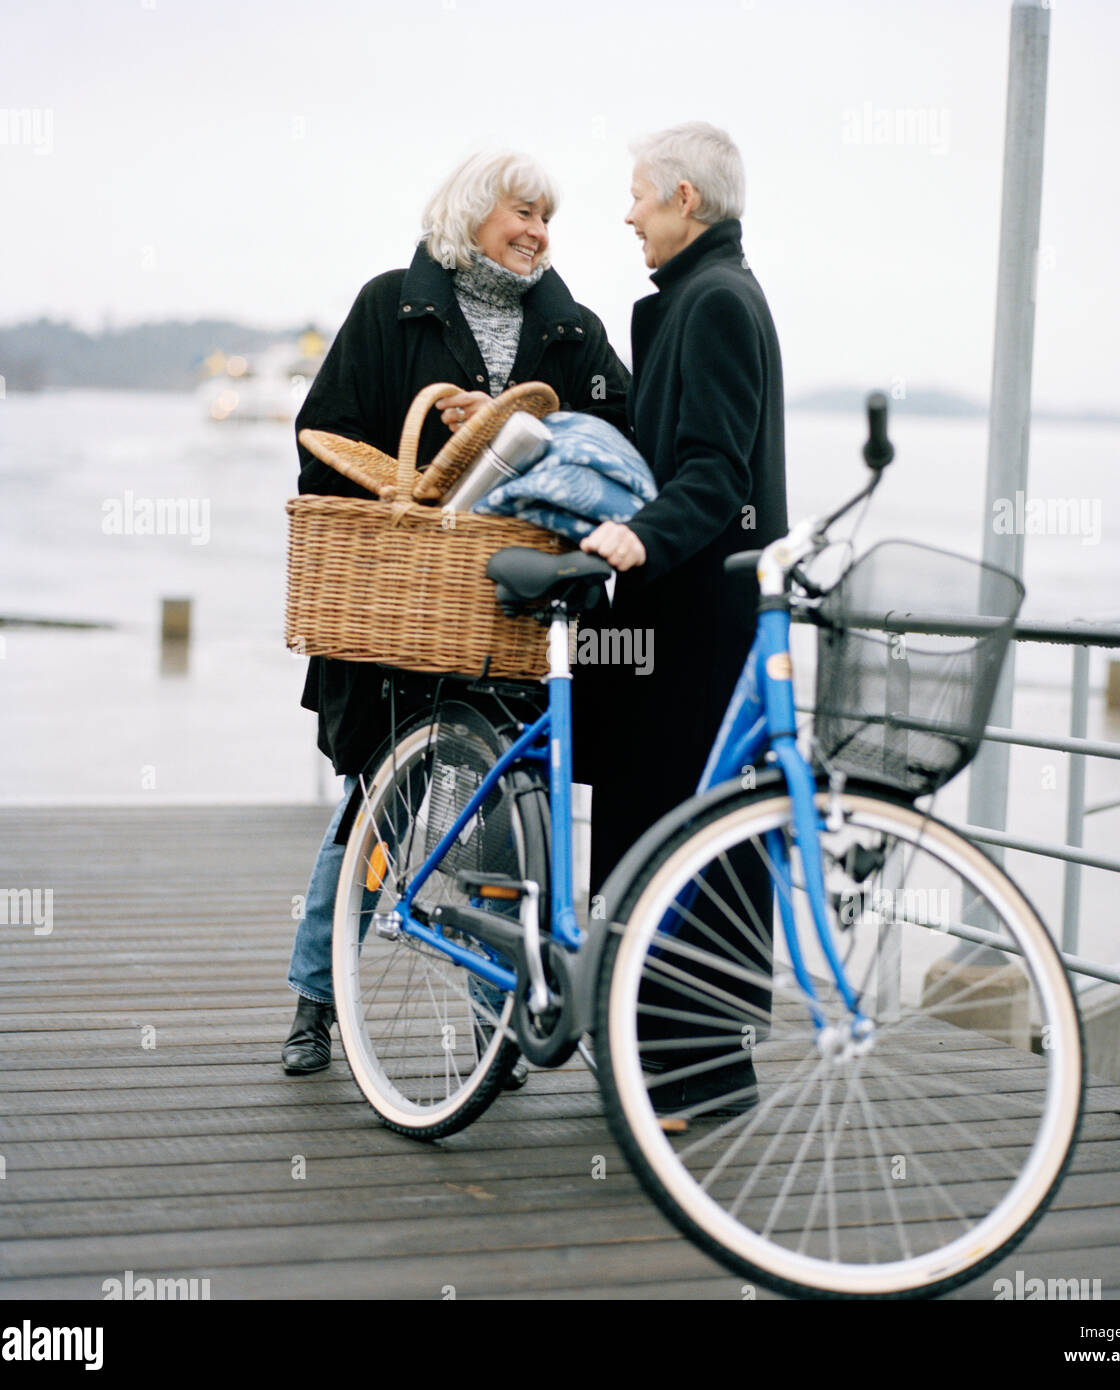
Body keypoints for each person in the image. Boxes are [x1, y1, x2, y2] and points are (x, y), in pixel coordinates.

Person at [283, 151, 630, 1074]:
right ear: (474, 213)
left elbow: (621, 440)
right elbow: (322, 438)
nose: (538, 233)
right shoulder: (390, 303)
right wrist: (414, 487)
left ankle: (495, 1027)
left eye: (547, 219)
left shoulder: (573, 330)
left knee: (502, 830)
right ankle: (315, 1004)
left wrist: (532, 440)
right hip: (403, 603)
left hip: (513, 616)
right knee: (373, 811)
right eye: (523, 212)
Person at [575, 122, 788, 1113]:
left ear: (682, 202)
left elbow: (714, 471)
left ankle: (684, 1070)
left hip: (689, 631)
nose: (627, 214)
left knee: (672, 839)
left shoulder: (711, 303)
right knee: (692, 839)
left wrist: (638, 539)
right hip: (691, 624)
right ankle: (680, 1067)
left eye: (637, 197)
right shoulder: (705, 297)